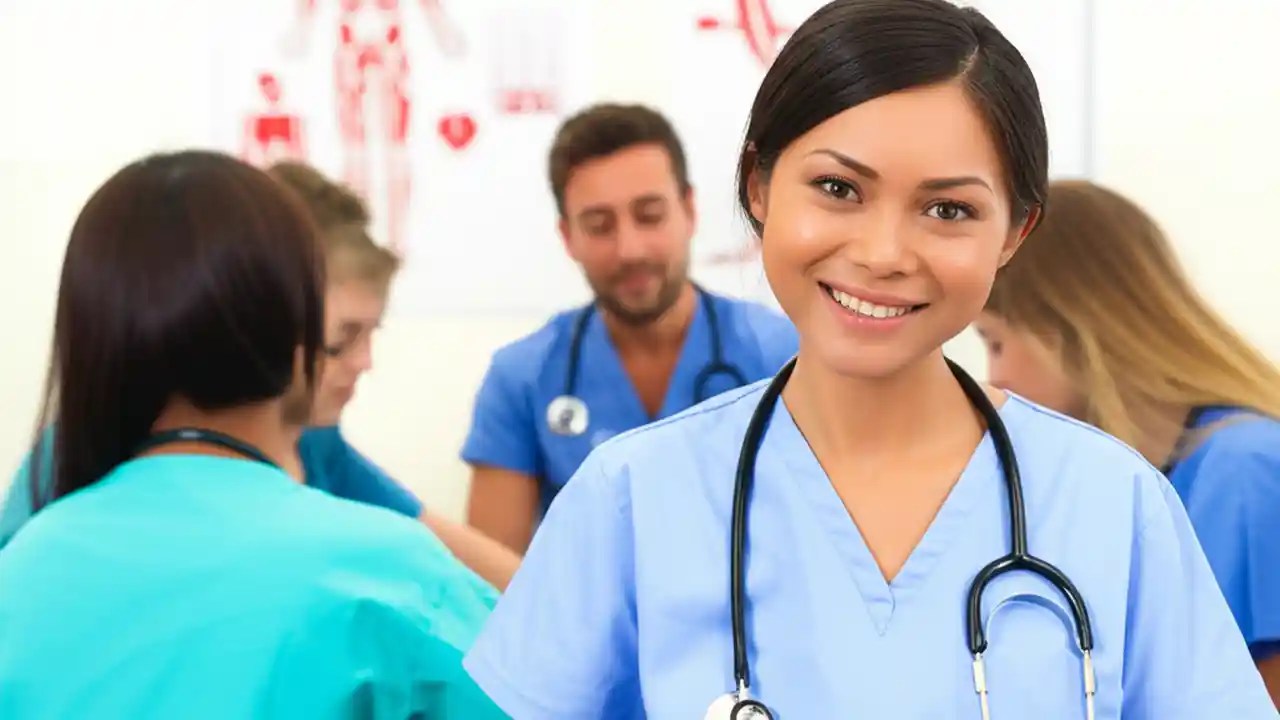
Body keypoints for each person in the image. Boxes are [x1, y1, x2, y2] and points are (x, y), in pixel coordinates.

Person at [460, 1, 1278, 717]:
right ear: (758, 187)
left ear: (1015, 235)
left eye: (948, 208)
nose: (884, 252)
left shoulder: (1115, 503)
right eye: (839, 189)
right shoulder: (628, 501)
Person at [0, 151, 505, 719]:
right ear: (295, 324)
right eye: (344, 336)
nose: (362, 362)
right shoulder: (389, 577)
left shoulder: (20, 575)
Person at [975, 178, 1280, 707]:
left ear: (1072, 327)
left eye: (996, 342)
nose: (992, 378)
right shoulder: (1128, 483)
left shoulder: (1245, 471)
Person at [462, 103, 799, 553]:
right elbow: (490, 579)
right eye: (599, 226)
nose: (630, 249)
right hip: (581, 625)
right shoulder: (522, 377)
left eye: (649, 215)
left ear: (689, 210)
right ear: (567, 236)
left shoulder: (782, 355)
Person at [269, 160, 520, 591]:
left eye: (371, 333)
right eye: (342, 338)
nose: (365, 362)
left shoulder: (316, 445)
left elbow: (449, 549)